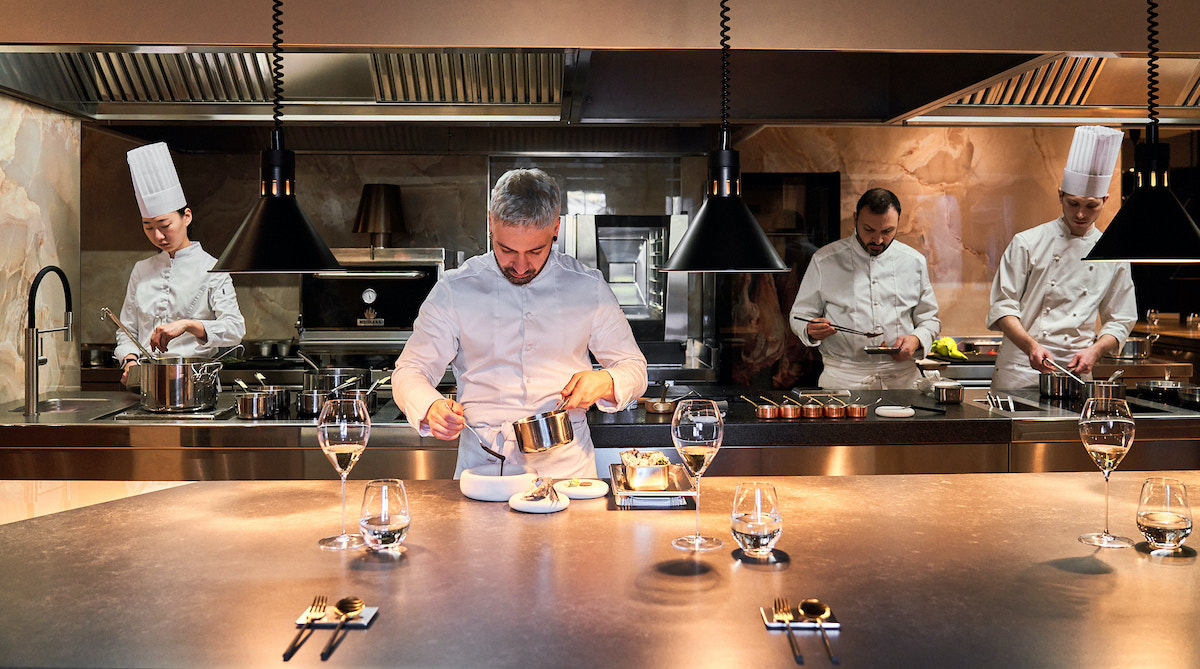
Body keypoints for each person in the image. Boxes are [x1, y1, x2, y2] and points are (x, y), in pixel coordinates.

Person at [391, 168, 648, 478]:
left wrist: (606, 381)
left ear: (556, 227)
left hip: (568, 474)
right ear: (490, 224)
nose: (521, 265)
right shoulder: (454, 290)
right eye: (507, 249)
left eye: (536, 251)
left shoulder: (588, 287)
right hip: (484, 470)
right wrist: (430, 406)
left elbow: (634, 368)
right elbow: (410, 371)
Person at [987, 125, 1137, 389]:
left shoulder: (1112, 252)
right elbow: (1003, 307)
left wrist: (1095, 351)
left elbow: (1121, 319)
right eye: (1073, 204)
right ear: (1060, 195)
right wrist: (1031, 345)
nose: (1081, 214)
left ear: (1105, 200)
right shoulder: (1028, 242)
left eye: (1091, 206)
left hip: (1075, 372)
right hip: (1021, 369)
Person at [115, 142, 245, 386]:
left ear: (187, 216)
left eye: (165, 226)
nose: (158, 236)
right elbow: (127, 331)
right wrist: (129, 359)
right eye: (148, 227)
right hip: (148, 387)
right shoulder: (142, 270)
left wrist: (188, 325)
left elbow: (235, 330)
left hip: (197, 386)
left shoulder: (213, 268)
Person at [788, 188, 941, 389]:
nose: (878, 240)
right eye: (869, 229)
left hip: (902, 381)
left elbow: (930, 319)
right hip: (843, 380)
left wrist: (916, 339)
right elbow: (799, 315)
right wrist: (810, 329)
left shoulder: (914, 262)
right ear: (855, 219)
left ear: (898, 223)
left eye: (887, 231)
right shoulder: (825, 260)